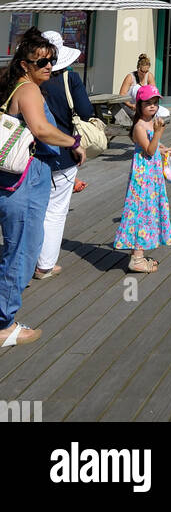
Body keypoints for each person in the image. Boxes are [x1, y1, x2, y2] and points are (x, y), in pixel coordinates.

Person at [0, 30, 85, 346]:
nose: (49, 66)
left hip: (25, 181)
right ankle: (4, 325)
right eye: (41, 62)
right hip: (22, 185)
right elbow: (40, 129)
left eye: (51, 60)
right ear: (25, 65)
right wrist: (74, 142)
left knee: (24, 248)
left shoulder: (23, 87)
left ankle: (6, 318)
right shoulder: (29, 91)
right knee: (19, 251)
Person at [34, 30, 96, 279]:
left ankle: (31, 257)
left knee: (37, 209)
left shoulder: (29, 81)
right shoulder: (70, 78)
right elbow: (85, 110)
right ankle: (45, 264)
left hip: (32, 153)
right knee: (56, 210)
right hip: (64, 152)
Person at [113, 85, 171, 273]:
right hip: (143, 177)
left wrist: (164, 148)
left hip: (151, 176)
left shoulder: (151, 122)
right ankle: (137, 259)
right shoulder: (139, 125)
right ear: (139, 105)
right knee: (140, 212)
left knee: (147, 210)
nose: (153, 107)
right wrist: (158, 134)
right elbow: (149, 150)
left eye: (155, 103)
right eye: (148, 104)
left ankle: (137, 254)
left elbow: (154, 147)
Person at [115, 55, 156, 129]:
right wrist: (131, 105)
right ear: (138, 68)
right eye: (142, 71)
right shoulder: (130, 77)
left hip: (144, 105)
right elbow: (122, 95)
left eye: (146, 71)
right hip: (129, 105)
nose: (144, 74)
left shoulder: (149, 76)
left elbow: (153, 94)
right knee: (137, 88)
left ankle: (151, 136)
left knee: (161, 114)